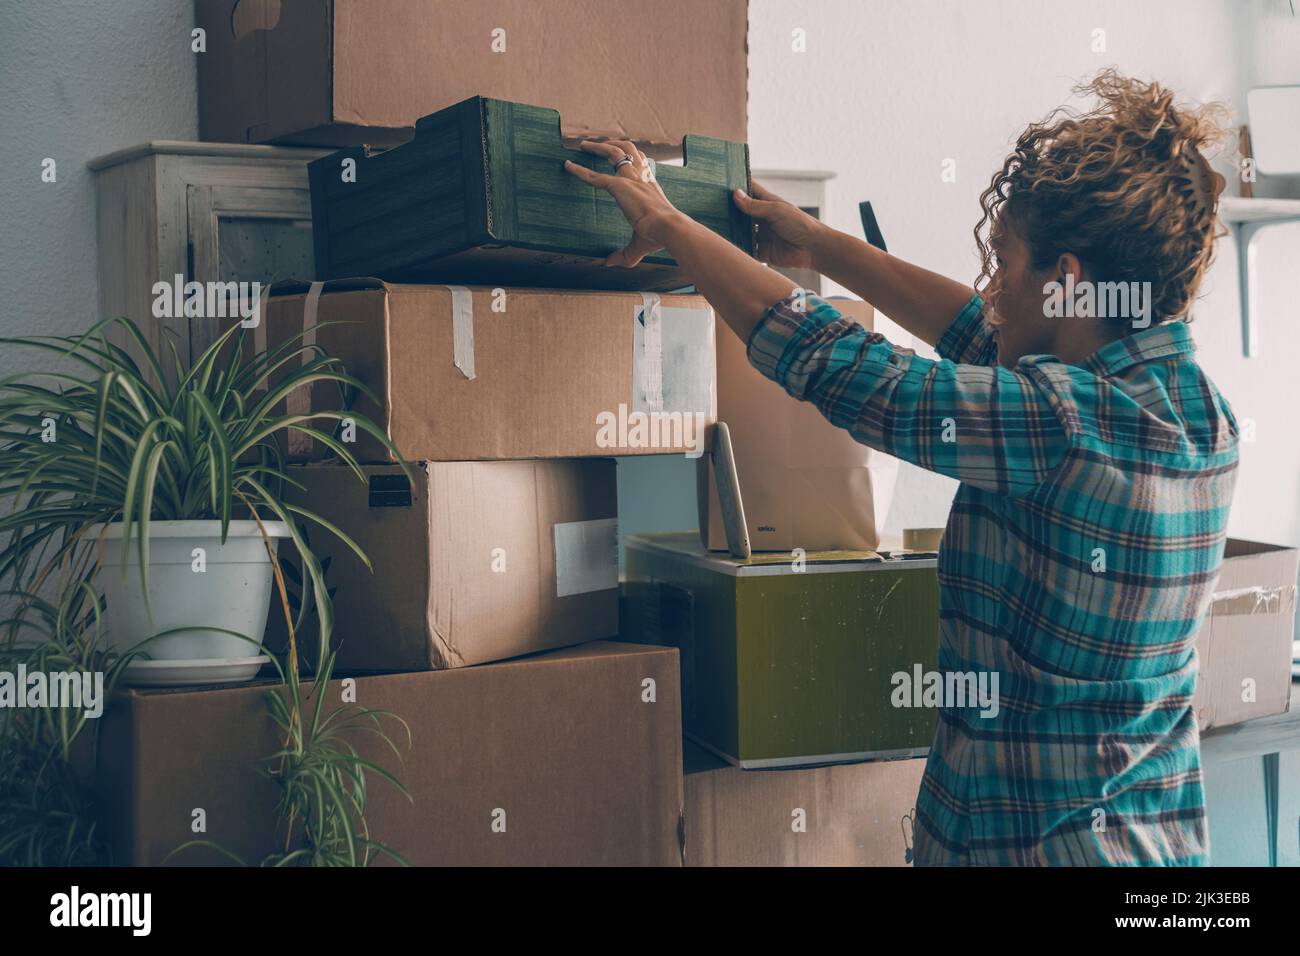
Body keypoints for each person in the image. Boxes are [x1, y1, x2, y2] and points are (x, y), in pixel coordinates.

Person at [565, 69, 1237, 866]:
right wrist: (816, 244)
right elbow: (980, 336)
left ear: (1066, 285)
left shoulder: (1064, 424)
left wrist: (667, 221)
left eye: (1006, 264)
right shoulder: (1191, 409)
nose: (993, 289)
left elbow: (848, 367)